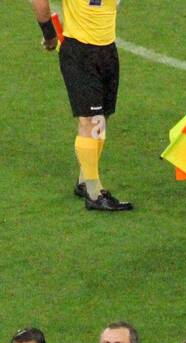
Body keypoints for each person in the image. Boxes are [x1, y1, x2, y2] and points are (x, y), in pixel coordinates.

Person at [31, 0, 133, 211]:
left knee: (101, 118)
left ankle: (84, 180)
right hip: (80, 52)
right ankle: (94, 194)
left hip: (107, 50)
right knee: (90, 120)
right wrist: (49, 34)